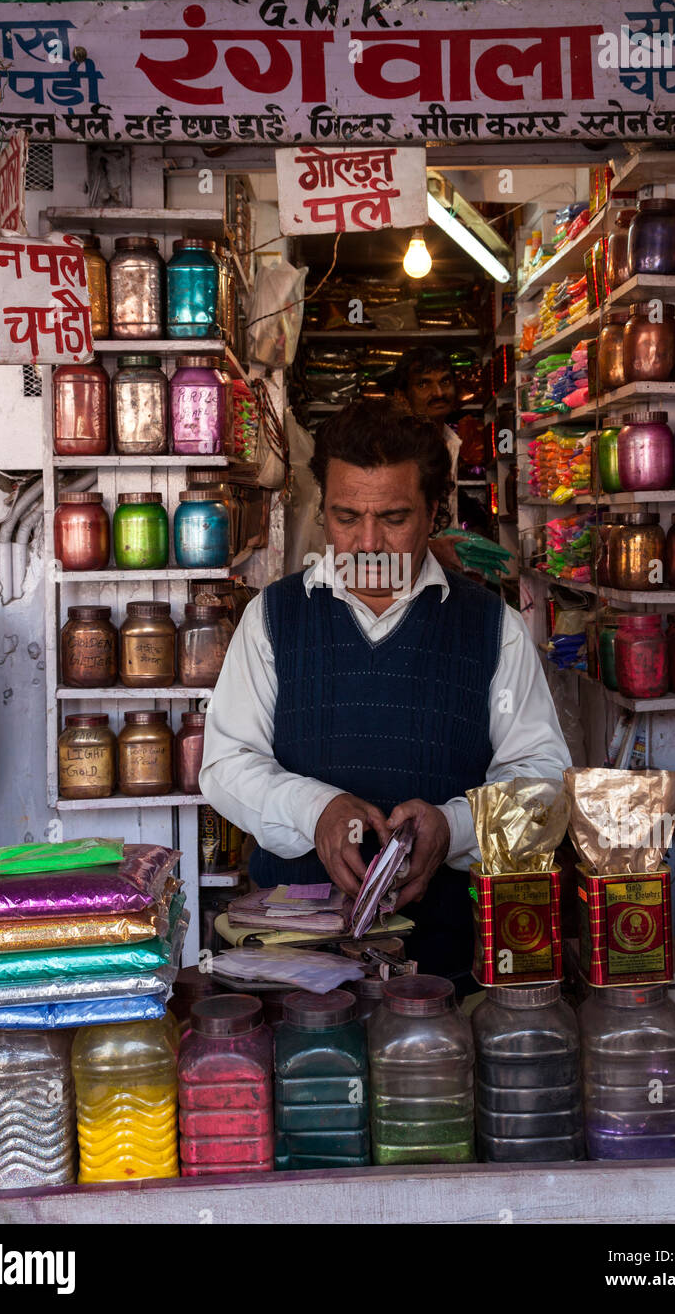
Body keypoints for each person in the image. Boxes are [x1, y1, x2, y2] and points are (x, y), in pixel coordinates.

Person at [199, 398, 570, 992]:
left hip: (449, 966)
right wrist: (315, 809)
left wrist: (454, 826)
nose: (368, 543)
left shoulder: (491, 628)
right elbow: (224, 766)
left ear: (433, 515)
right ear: (322, 512)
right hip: (296, 968)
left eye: (394, 518)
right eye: (346, 517)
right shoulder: (273, 618)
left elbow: (545, 780)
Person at [394, 344, 463, 570]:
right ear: (402, 396)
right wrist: (431, 549)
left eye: (445, 381)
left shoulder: (455, 444)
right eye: (424, 384)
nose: (439, 393)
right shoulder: (392, 451)